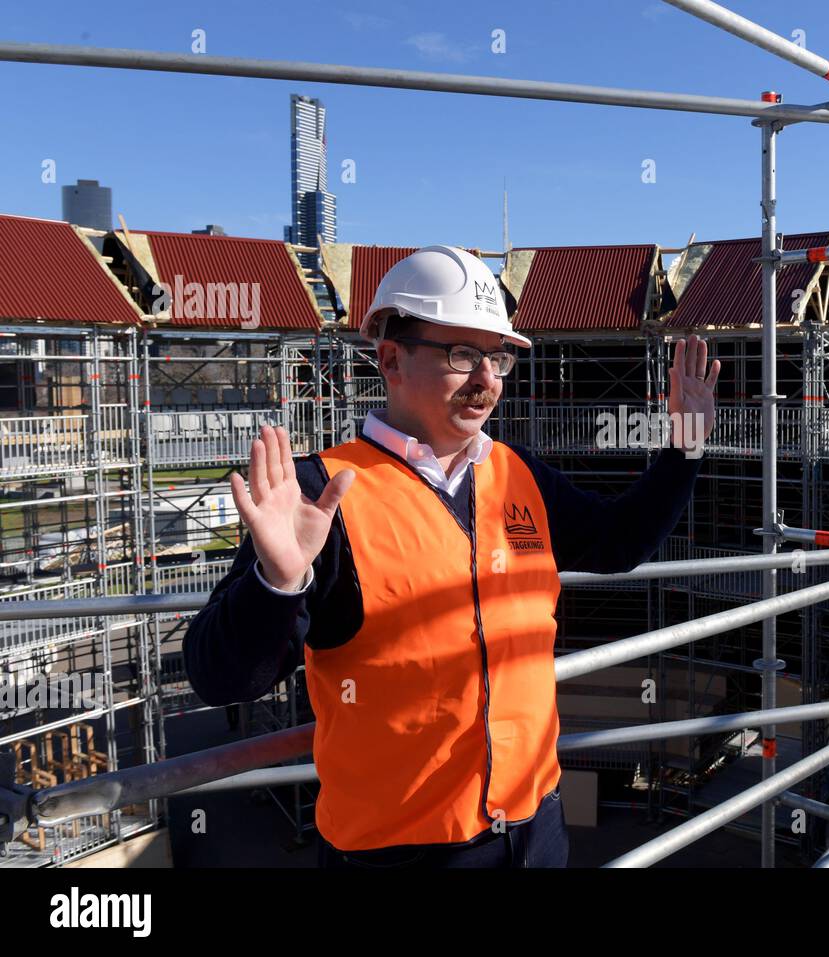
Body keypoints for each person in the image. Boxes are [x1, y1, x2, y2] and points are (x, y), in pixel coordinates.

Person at [183, 244, 720, 868]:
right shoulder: (319, 495)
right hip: (401, 854)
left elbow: (620, 542)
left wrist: (685, 447)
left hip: (534, 828)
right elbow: (222, 678)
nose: (487, 379)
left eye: (497, 357)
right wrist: (277, 582)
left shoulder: (520, 475)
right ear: (390, 359)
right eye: (462, 354)